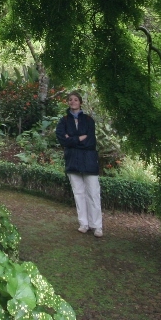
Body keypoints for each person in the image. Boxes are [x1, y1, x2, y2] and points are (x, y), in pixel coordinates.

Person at [56, 92, 102, 237]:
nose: (73, 102)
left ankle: (97, 226)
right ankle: (84, 223)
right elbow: (62, 140)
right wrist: (79, 139)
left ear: (80, 102)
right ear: (68, 103)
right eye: (70, 100)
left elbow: (90, 141)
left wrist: (72, 140)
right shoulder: (63, 121)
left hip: (89, 160)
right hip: (72, 160)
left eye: (76, 100)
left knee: (93, 193)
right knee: (78, 193)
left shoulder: (89, 120)